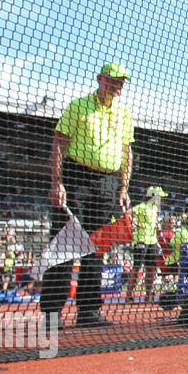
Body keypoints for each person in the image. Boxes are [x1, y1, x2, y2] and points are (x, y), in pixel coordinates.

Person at [41, 62, 134, 327]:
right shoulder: (78, 106)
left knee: (96, 248)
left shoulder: (124, 115)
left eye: (121, 82)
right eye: (112, 80)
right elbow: (59, 142)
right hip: (76, 177)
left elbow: (127, 153)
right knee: (65, 244)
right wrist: (57, 182)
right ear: (99, 79)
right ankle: (52, 312)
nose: (117, 86)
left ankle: (88, 311)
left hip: (107, 183)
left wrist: (122, 187)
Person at [128, 185, 167, 302]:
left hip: (152, 241)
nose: (160, 199)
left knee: (151, 268)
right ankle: (129, 295)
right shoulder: (142, 206)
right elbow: (128, 213)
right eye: (159, 197)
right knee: (137, 267)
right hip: (141, 240)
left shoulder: (155, 209)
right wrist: (134, 222)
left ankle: (148, 294)